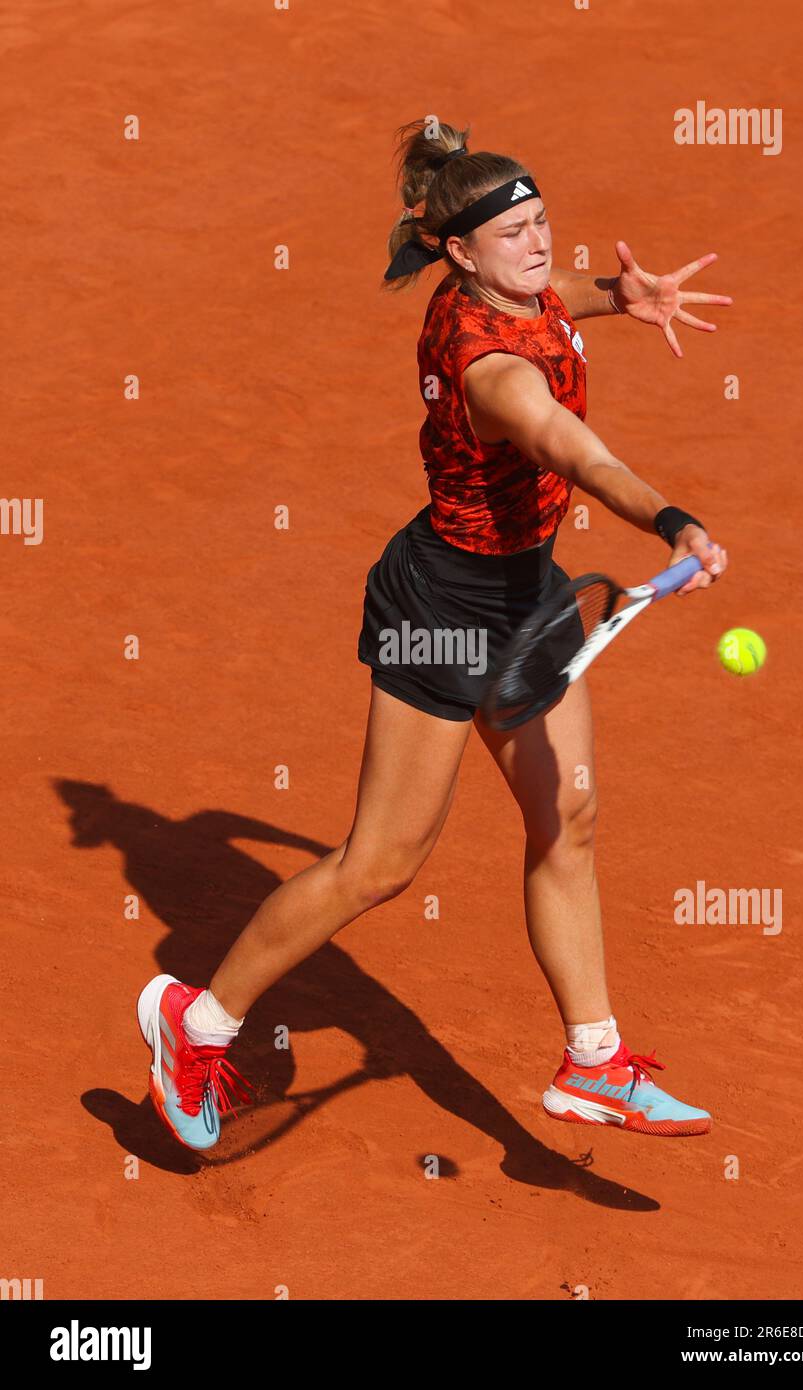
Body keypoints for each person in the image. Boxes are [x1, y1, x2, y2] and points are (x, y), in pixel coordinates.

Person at [137, 119, 730, 1151]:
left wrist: (616, 296)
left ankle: (592, 1062)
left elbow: (552, 296)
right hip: (442, 616)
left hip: (528, 594)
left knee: (567, 819)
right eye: (514, 233)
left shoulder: (501, 289)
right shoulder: (493, 371)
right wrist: (671, 518)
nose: (539, 244)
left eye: (542, 221)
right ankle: (196, 1021)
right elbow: (574, 452)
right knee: (381, 862)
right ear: (458, 253)